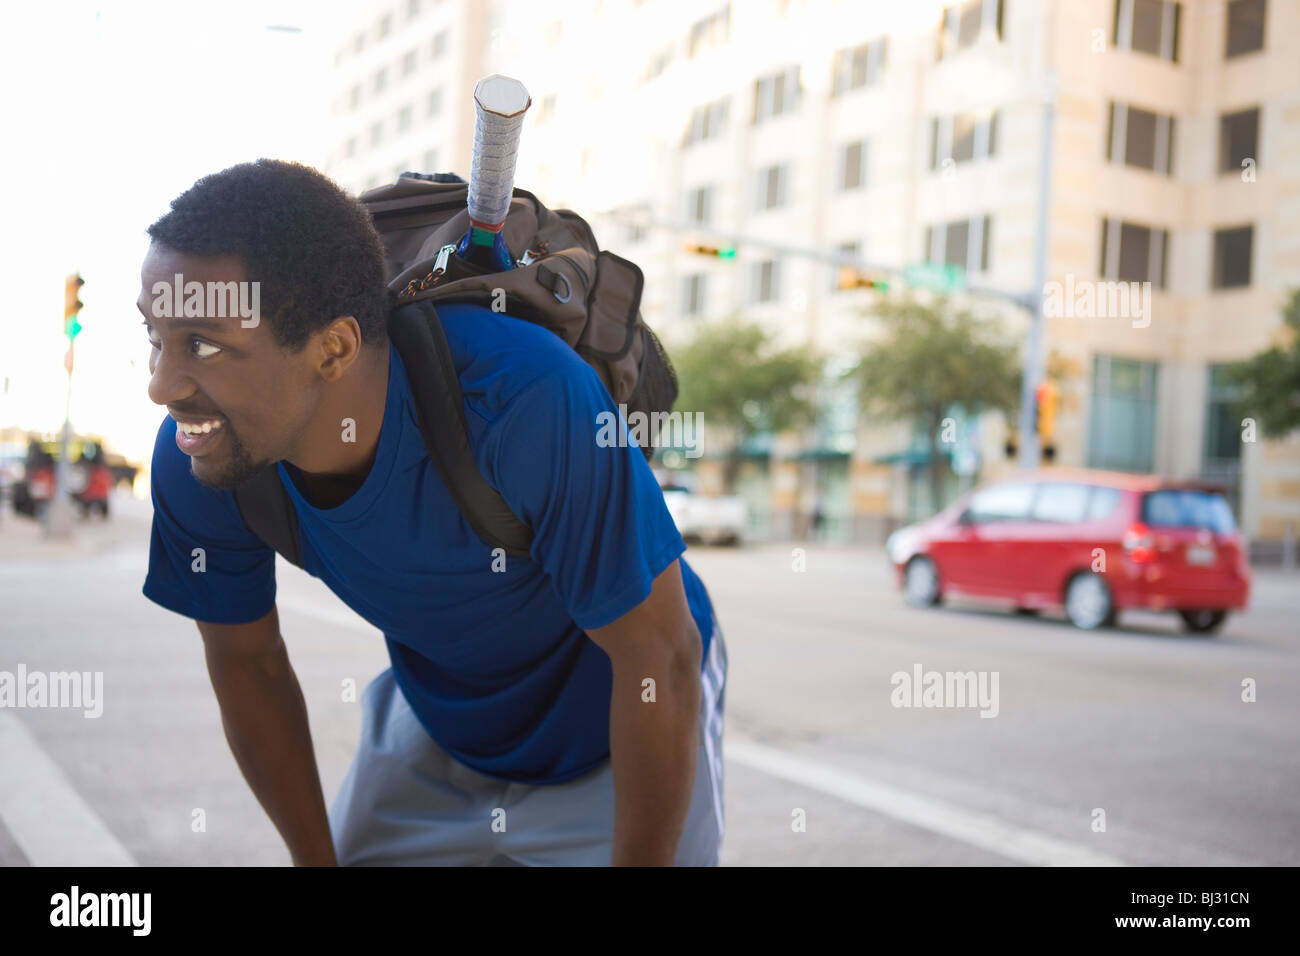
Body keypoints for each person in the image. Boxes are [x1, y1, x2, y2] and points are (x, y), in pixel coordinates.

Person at [139, 159, 726, 866]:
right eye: (155, 337)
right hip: (438, 728)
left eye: (204, 345)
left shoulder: (522, 395)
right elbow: (248, 664)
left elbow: (659, 661)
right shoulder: (202, 455)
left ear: (334, 348)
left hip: (621, 739)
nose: (162, 386)